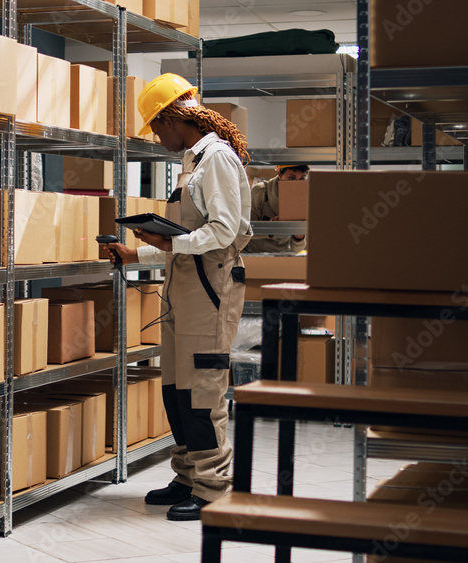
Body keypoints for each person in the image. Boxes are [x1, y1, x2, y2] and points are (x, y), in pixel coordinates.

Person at [104, 73, 252, 521]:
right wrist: (138, 252)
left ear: (172, 119)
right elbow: (188, 236)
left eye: (155, 127)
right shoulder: (194, 162)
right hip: (183, 290)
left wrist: (169, 244)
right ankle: (188, 474)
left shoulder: (218, 160)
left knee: (203, 392)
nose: (155, 136)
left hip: (211, 293)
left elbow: (225, 231)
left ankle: (213, 488)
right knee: (176, 390)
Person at [244, 164, 309, 253]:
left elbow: (297, 249)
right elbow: (244, 232)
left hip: (283, 255)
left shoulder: (303, 198)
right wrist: (271, 228)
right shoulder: (260, 192)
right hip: (253, 252)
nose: (296, 183)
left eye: (301, 179)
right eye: (291, 178)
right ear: (280, 174)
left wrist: (299, 237)